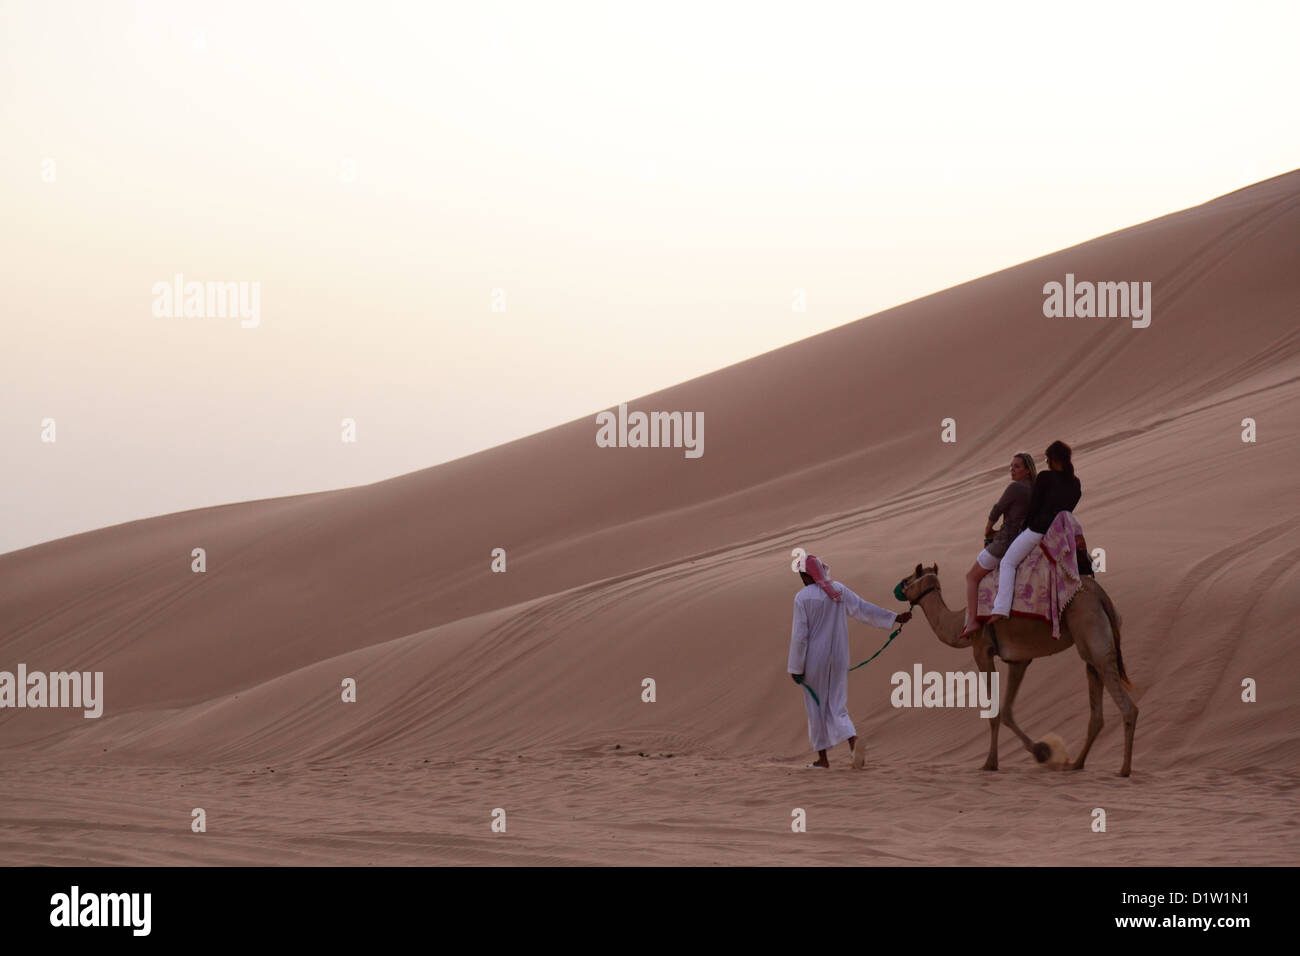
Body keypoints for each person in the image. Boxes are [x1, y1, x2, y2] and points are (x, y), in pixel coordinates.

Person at [788, 554, 911, 769]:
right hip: (839, 657)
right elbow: (863, 609)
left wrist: (795, 667)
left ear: (808, 576)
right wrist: (893, 618)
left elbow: (800, 636)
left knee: (816, 706)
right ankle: (853, 743)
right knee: (837, 704)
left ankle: (823, 760)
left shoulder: (802, 598)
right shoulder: (837, 590)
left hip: (815, 660)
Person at [988, 440, 1081, 622]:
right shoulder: (1075, 483)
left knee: (1008, 562)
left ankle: (1001, 608)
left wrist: (1024, 529)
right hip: (1061, 536)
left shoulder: (1045, 477)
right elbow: (1067, 510)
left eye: (1047, 460)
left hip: (1038, 530)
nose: (1046, 463)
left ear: (1053, 460)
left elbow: (1034, 508)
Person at [959, 453, 1036, 639]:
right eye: (1011, 466)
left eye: (1017, 466)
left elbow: (997, 508)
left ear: (1027, 470)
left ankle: (972, 621)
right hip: (1022, 541)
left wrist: (988, 529)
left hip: (1004, 542)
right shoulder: (1034, 489)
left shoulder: (1015, 487)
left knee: (971, 577)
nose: (1012, 469)